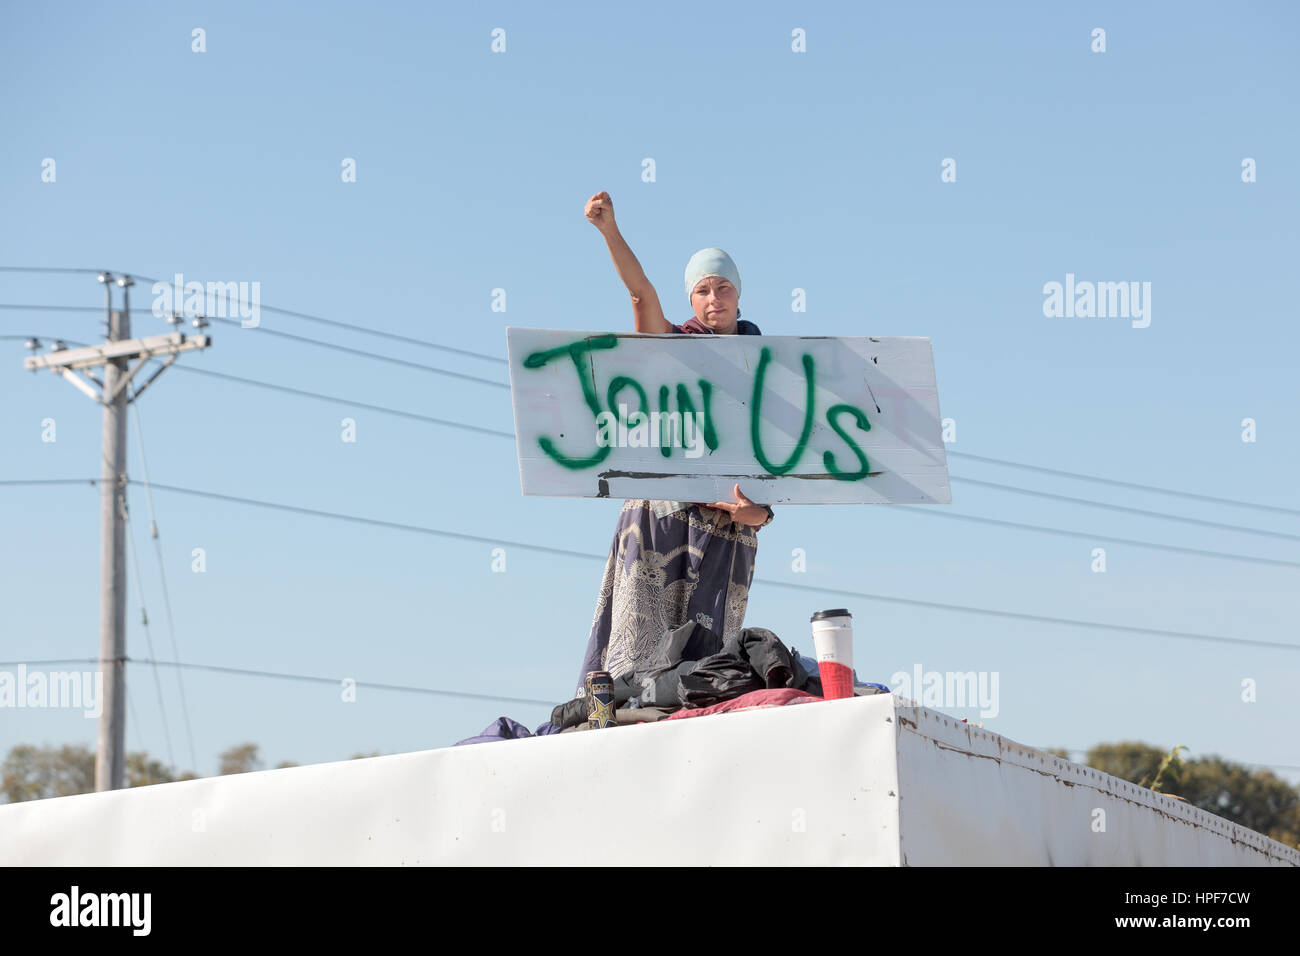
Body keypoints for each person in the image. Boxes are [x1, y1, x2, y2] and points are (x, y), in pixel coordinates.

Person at [574, 190, 774, 697]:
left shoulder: (773, 370)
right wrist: (609, 231)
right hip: (660, 524)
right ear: (691, 299)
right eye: (703, 290)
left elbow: (778, 471)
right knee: (637, 663)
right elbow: (641, 297)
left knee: (705, 677)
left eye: (723, 287)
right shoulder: (672, 348)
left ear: (739, 294)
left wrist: (757, 514)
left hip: (728, 536)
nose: (714, 298)